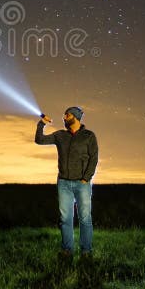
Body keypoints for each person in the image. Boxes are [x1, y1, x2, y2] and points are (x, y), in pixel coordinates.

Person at [35, 106, 99, 256]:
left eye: (67, 115)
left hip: (82, 184)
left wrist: (86, 178)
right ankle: (67, 250)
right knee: (65, 219)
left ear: (75, 117)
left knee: (85, 218)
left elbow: (94, 158)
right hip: (64, 183)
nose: (64, 117)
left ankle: (86, 251)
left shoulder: (89, 136)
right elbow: (39, 140)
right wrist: (41, 124)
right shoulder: (60, 135)